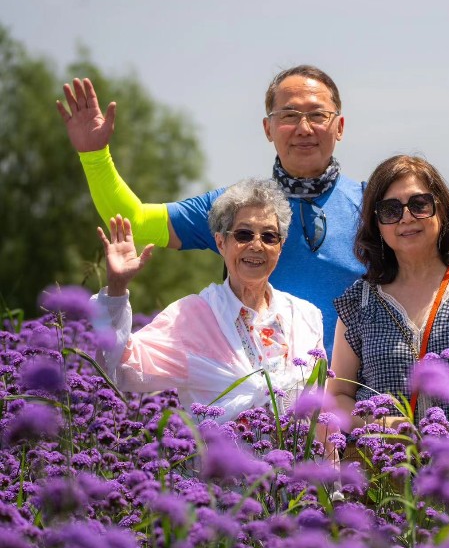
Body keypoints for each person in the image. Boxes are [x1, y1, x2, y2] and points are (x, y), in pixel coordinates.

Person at [57, 65, 363, 358]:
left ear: (340, 126)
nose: (304, 128)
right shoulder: (234, 208)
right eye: (289, 115)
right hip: (265, 388)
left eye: (318, 115)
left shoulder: (375, 206)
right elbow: (134, 222)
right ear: (267, 128)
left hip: (365, 391)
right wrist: (94, 157)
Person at [94, 179, 323, 420]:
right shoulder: (189, 318)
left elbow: (322, 413)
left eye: (269, 237)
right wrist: (117, 287)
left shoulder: (304, 317)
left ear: (281, 246)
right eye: (244, 234)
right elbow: (117, 367)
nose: (257, 245)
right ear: (221, 242)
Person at [328, 155, 449, 429]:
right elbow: (337, 395)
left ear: (441, 210)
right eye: (390, 210)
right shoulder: (359, 301)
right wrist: (383, 425)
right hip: (388, 455)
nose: (406, 217)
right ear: (376, 223)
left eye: (419, 204)